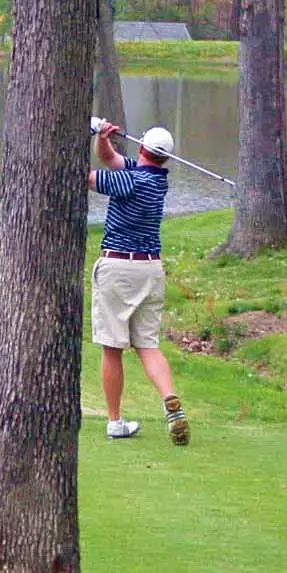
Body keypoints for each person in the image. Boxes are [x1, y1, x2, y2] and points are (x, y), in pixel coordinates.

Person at [88, 121, 189, 446]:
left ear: (143, 147)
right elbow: (110, 160)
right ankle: (170, 401)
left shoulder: (130, 181)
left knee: (112, 347)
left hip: (118, 268)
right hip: (150, 270)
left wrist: (82, 134)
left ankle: (115, 420)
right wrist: (102, 139)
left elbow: (87, 179)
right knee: (148, 345)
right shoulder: (156, 179)